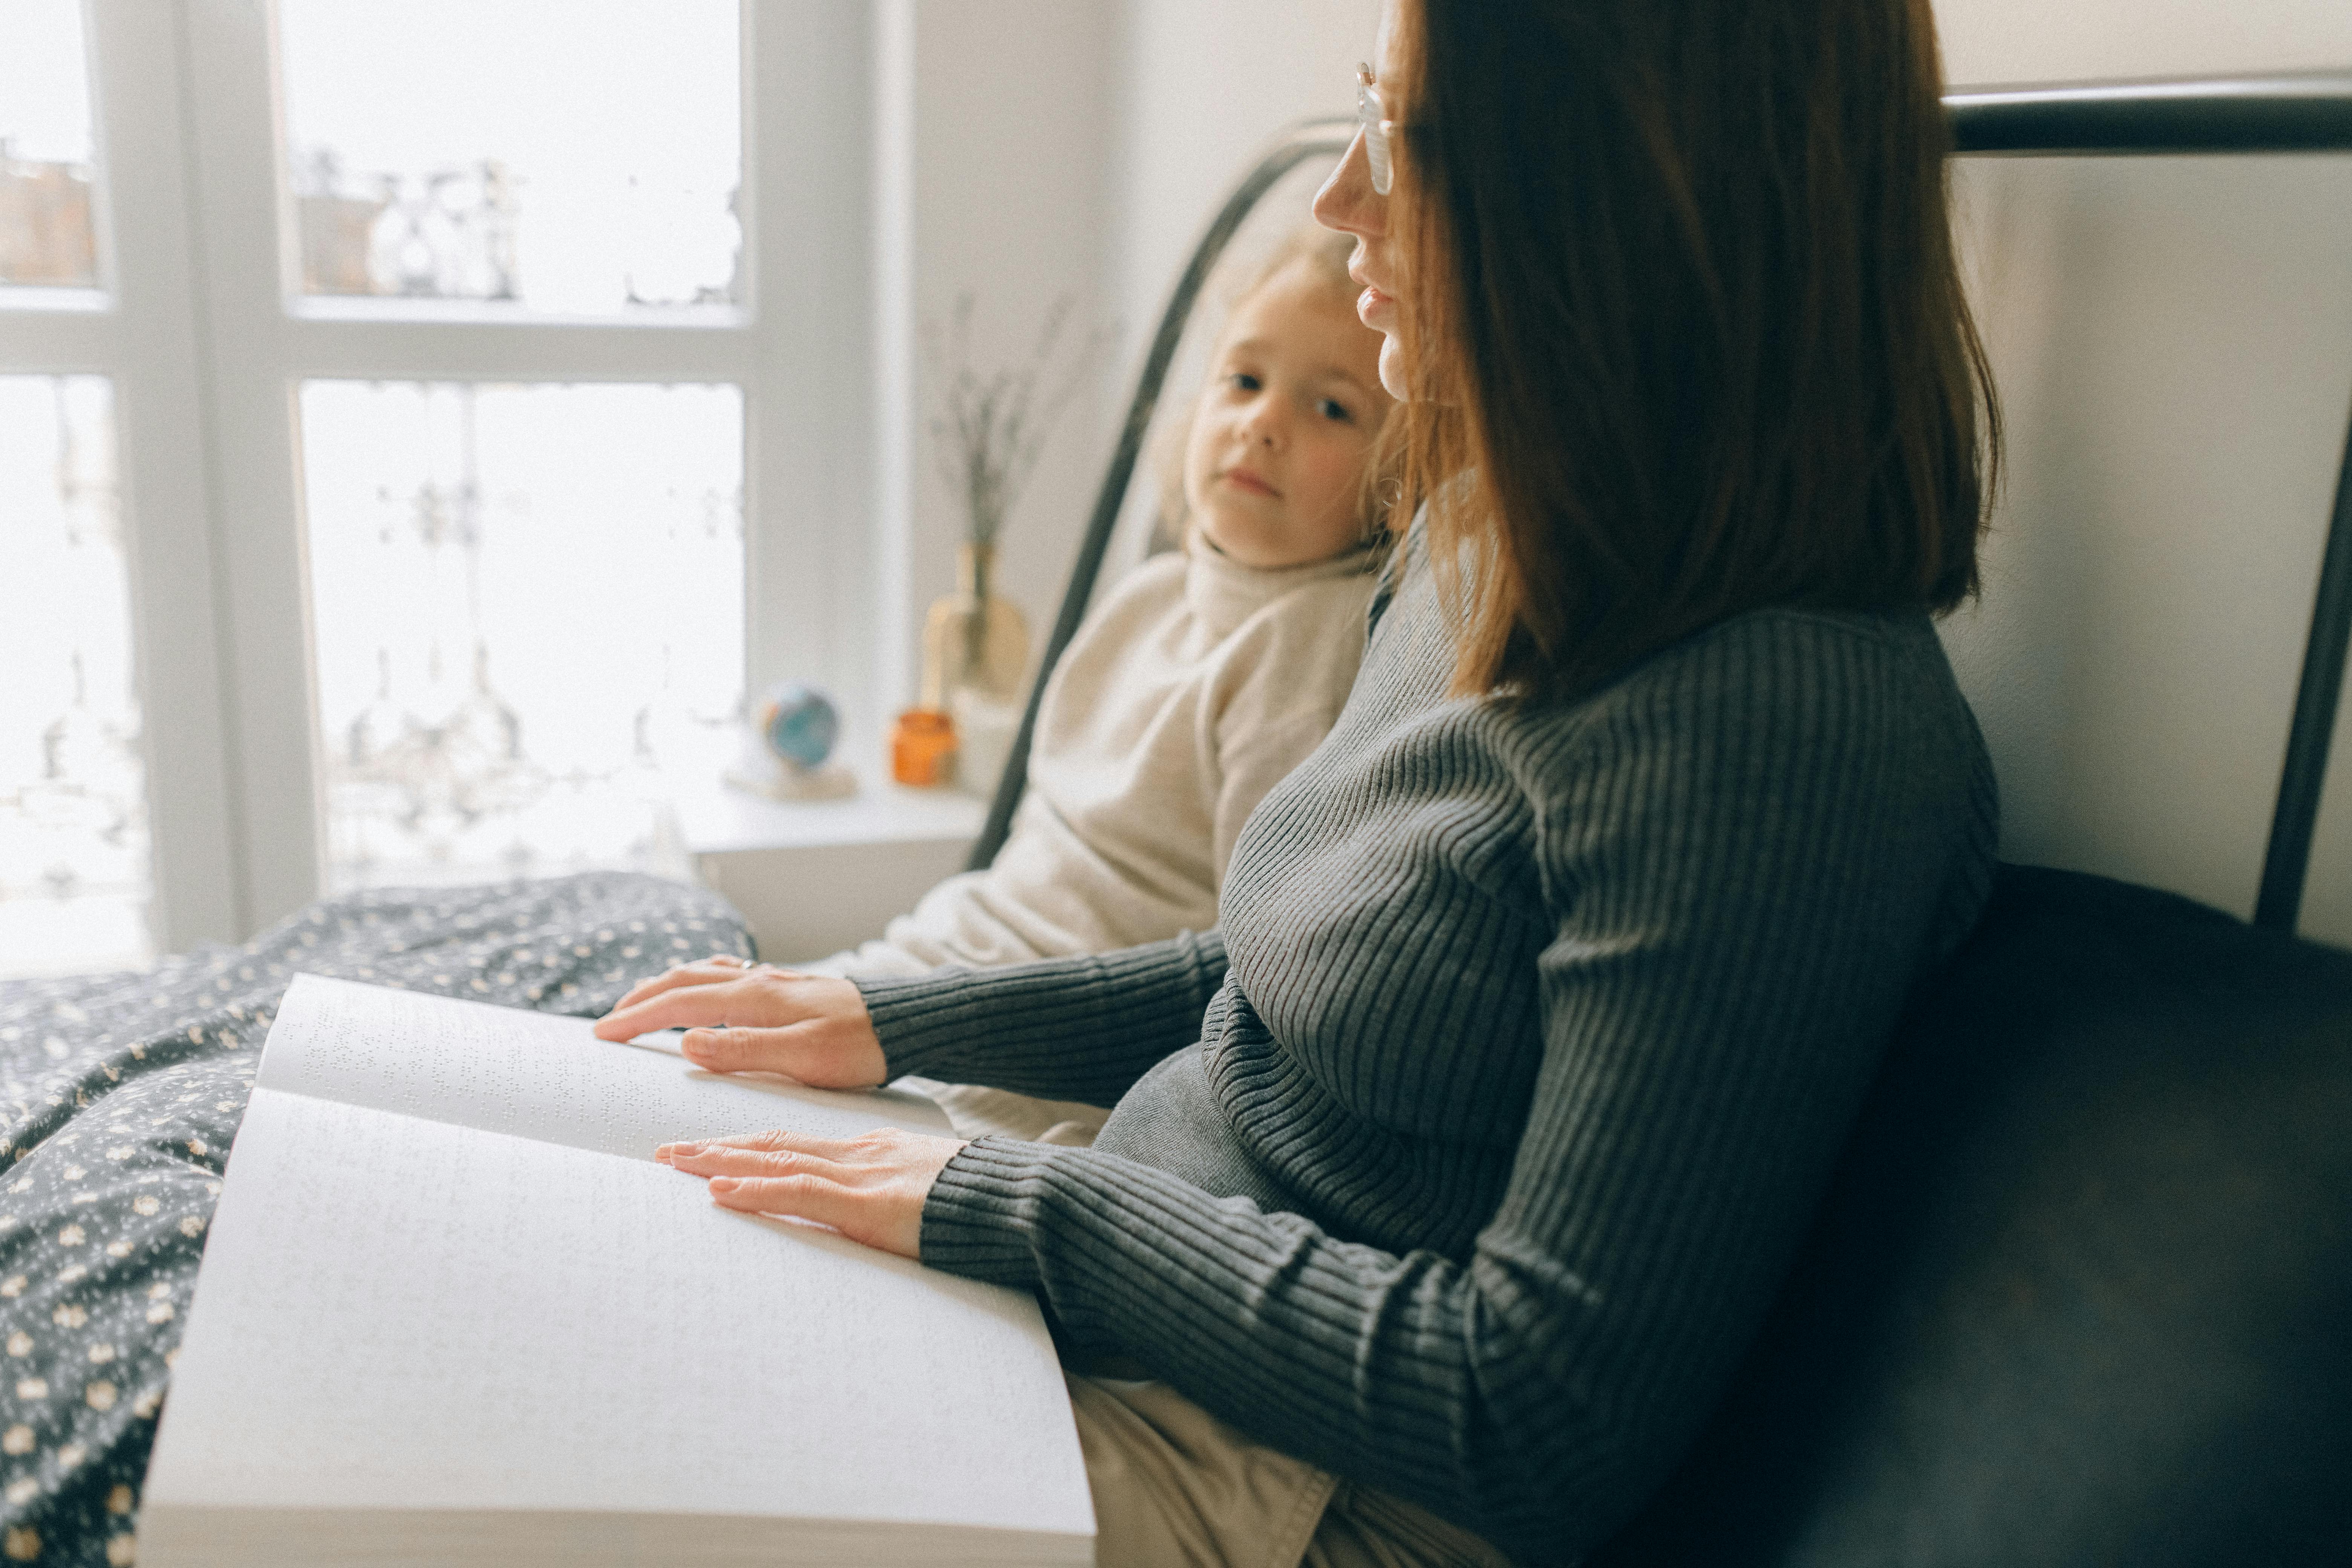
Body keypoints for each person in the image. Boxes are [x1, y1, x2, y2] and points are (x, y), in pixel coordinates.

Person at [595, 1, 2002, 1562]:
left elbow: (1527, 1413)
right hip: (1120, 1305)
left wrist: (1013, 1206)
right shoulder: (1485, 540)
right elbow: (1287, 971)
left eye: (1413, 141)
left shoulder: (1775, 724)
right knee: (585, 1252)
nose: (1341, 204)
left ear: (1624, 199)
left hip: (1293, 1481)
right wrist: (885, 1024)